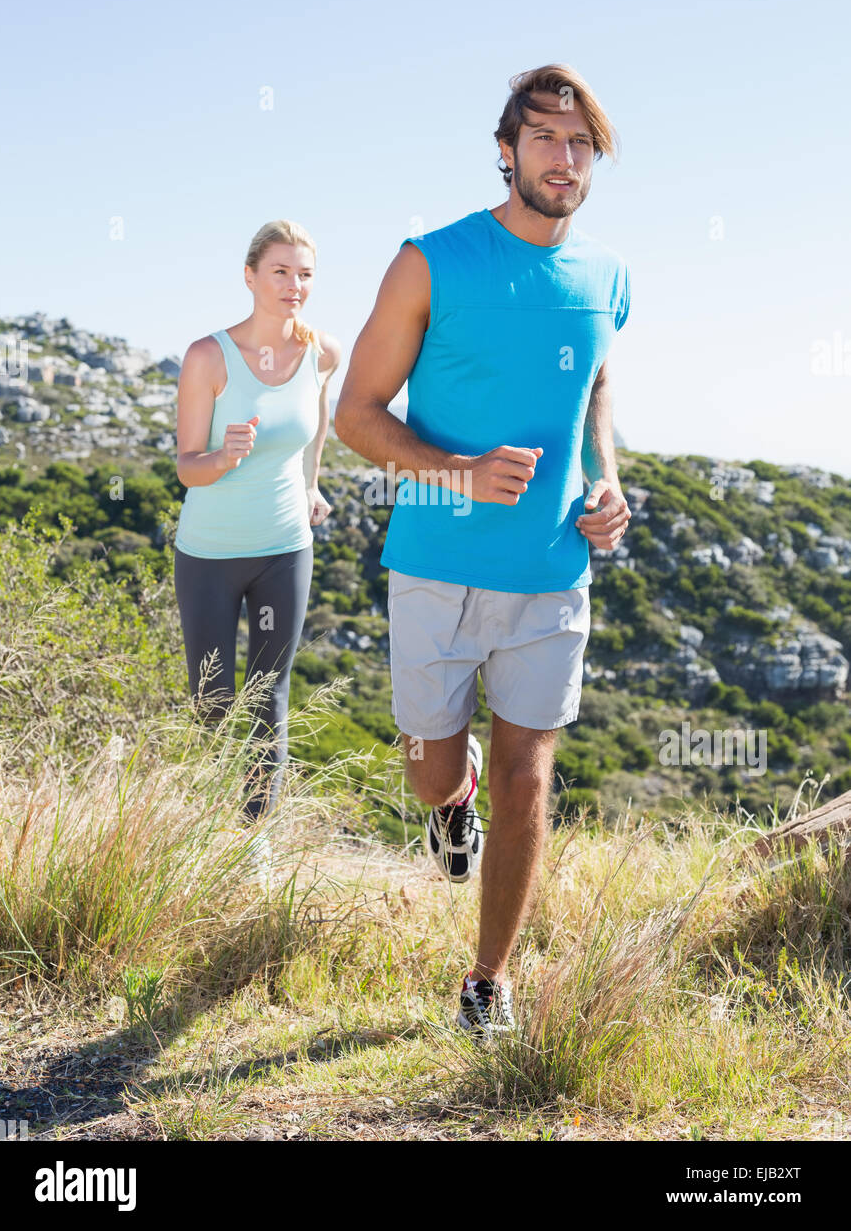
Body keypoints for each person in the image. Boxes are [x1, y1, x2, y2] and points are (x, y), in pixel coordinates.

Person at [334, 65, 631, 1035]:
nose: (563, 155)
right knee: (432, 767)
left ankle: (485, 981)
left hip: (549, 571)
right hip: (434, 567)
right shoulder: (429, 261)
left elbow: (591, 386)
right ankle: (443, 799)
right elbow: (356, 414)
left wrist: (606, 479)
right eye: (544, 137)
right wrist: (458, 473)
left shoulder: (606, 278)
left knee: (527, 774)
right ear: (505, 150)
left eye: (579, 141)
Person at [174, 219, 340, 826]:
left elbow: (316, 428)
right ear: (250, 276)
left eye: (304, 274)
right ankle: (203, 831)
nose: (294, 284)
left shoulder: (322, 353)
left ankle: (256, 840)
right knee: (213, 703)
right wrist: (221, 456)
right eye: (280, 271)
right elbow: (188, 468)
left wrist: (310, 484)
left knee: (269, 696)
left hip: (284, 549)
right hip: (209, 556)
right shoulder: (208, 357)